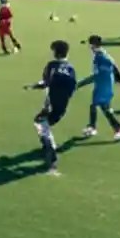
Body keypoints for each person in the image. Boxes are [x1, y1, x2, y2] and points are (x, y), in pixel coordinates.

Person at [23, 40, 78, 175]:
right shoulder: (71, 68)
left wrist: (33, 86)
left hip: (52, 103)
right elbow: (73, 87)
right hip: (62, 105)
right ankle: (47, 148)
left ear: (55, 52)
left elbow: (45, 83)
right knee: (42, 122)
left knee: (41, 124)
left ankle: (51, 157)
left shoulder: (51, 66)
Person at [81, 35, 120, 140]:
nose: (89, 47)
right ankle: (92, 127)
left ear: (93, 45)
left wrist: (81, 83)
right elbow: (114, 67)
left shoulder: (101, 57)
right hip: (101, 84)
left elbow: (97, 75)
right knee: (94, 105)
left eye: (90, 44)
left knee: (105, 108)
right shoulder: (100, 55)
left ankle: (119, 129)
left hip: (104, 86)